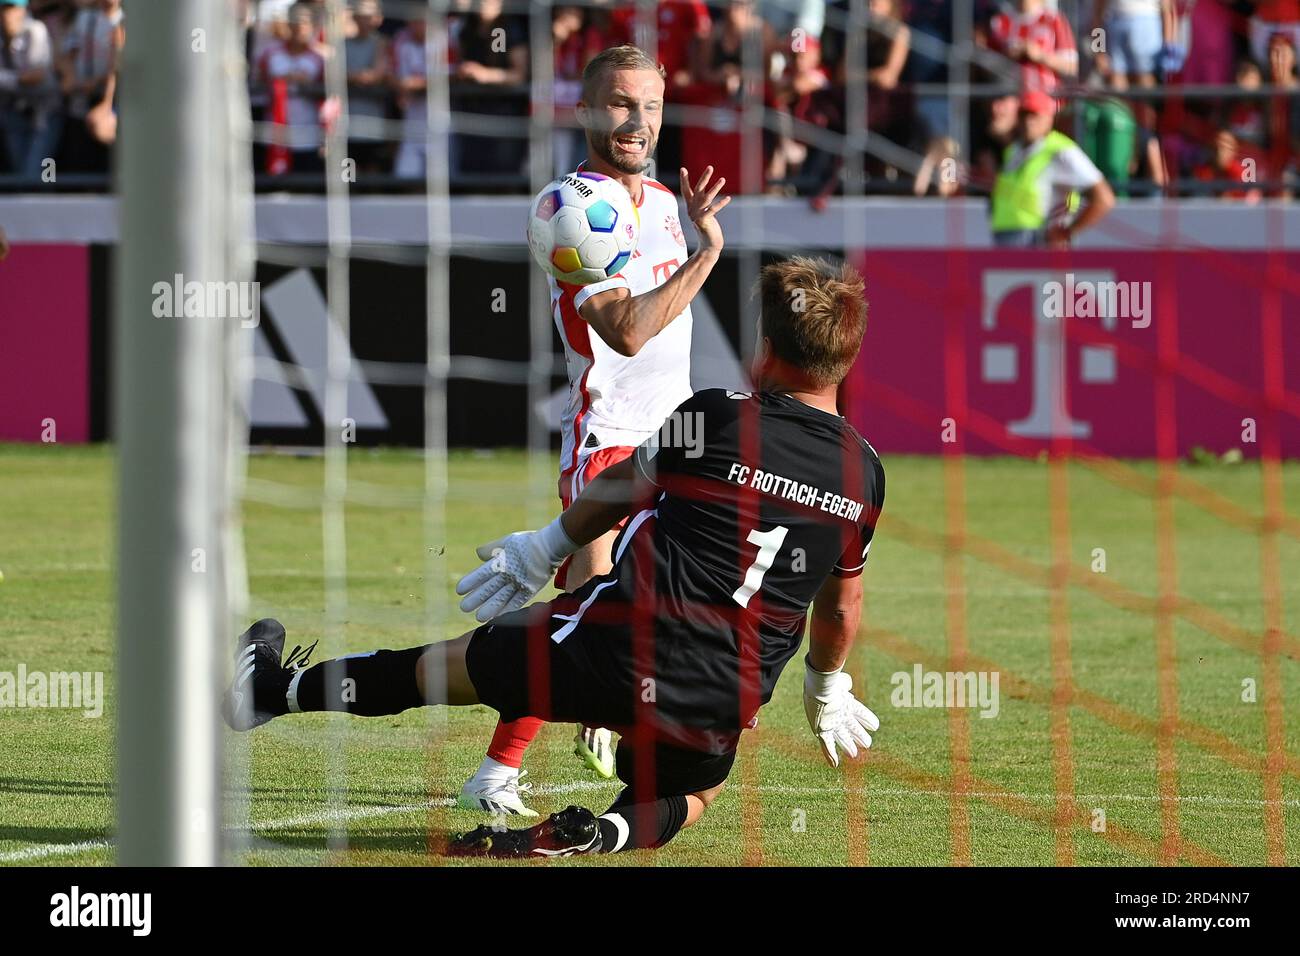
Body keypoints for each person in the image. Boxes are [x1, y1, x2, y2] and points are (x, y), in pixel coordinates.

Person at [224, 255, 885, 859]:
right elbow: (841, 604)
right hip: (720, 694)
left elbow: (623, 485)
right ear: (849, 363)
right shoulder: (866, 474)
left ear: (765, 349)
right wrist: (824, 686)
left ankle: (272, 691)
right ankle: (603, 833)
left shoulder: (714, 416)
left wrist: (543, 549)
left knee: (432, 672)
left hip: (608, 649)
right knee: (695, 793)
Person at [454, 44, 730, 816]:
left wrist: (697, 237)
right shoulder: (567, 204)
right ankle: (499, 770)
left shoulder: (671, 204)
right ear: (581, 110)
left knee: (639, 616)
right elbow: (631, 333)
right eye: (617, 103)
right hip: (610, 438)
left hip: (675, 443)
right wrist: (709, 256)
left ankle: (599, 720)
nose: (635, 120)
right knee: (585, 616)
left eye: (648, 105)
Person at [990, 89, 1116, 248]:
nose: (1028, 121)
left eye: (1035, 115)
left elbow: (1104, 198)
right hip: (1007, 241)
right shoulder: (1013, 150)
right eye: (1024, 114)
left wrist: (1067, 232)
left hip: (1041, 243)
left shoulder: (1062, 151)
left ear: (1049, 118)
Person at [0, 0, 60, 179]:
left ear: (22, 10)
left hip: (45, 114)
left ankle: (50, 205)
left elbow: (36, 75)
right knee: (21, 175)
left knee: (41, 174)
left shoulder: (35, 30)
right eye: (3, 9)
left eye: (12, 9)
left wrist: (5, 78)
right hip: (13, 112)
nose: (7, 14)